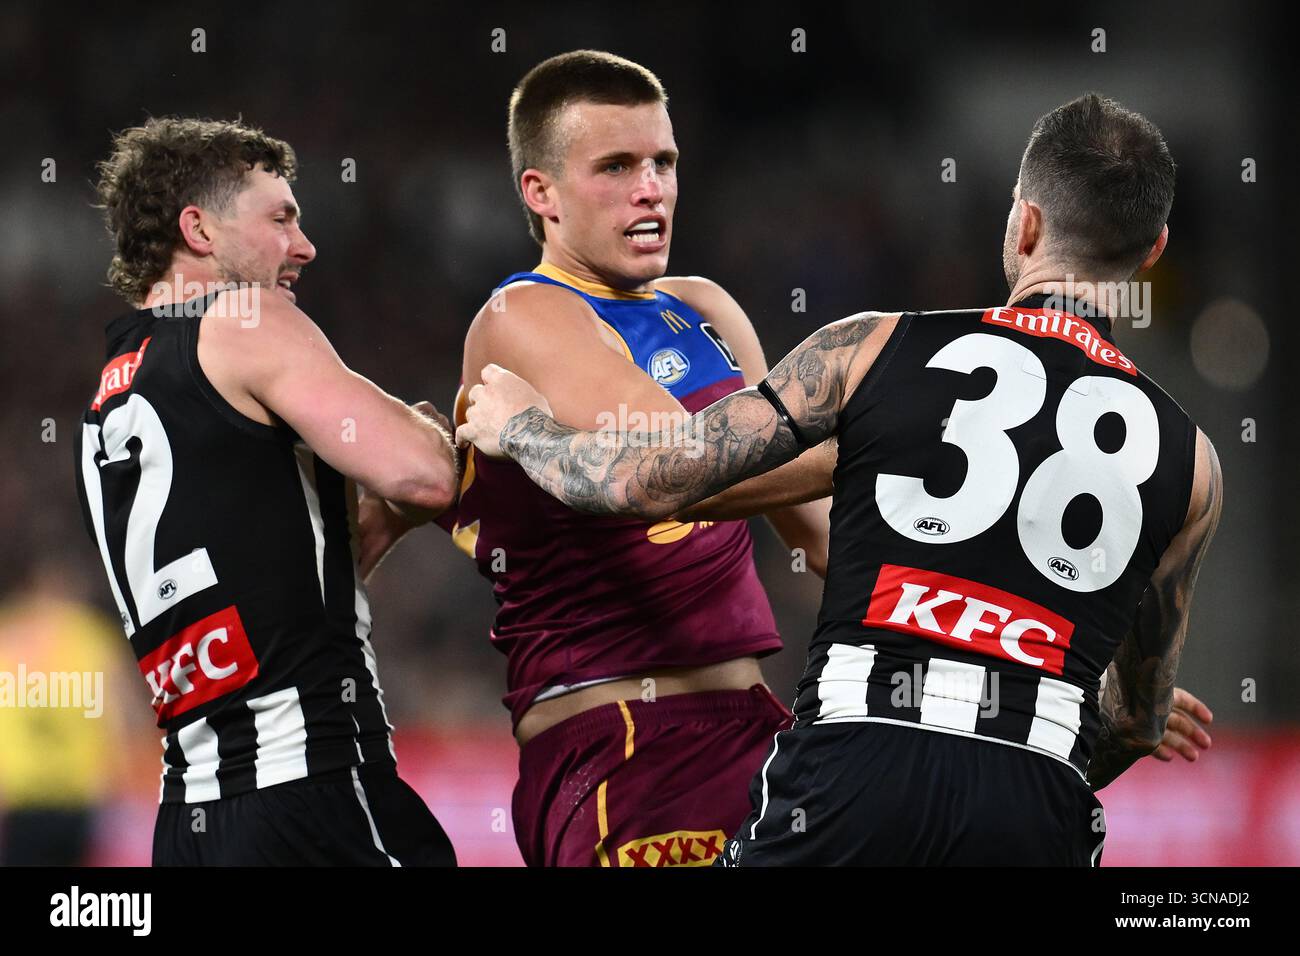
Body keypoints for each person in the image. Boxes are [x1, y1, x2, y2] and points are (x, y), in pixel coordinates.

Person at [458, 93, 1222, 865]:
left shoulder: (872, 350)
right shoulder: (1194, 467)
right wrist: (1033, 734)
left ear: (1024, 223)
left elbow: (647, 485)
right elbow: (1133, 721)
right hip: (1037, 796)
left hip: (852, 774)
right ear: (1153, 249)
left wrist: (521, 427)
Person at [444, 50, 832, 867]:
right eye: (615, 166)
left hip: (759, 729)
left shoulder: (704, 307)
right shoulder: (522, 317)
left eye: (663, 162)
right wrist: (884, 432)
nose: (649, 187)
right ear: (539, 194)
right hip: (621, 747)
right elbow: (690, 462)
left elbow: (822, 533)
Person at [76, 117, 460, 865]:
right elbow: (426, 471)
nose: (304, 245)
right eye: (280, 217)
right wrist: (428, 435)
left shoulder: (109, 396)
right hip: (315, 789)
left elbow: (280, 574)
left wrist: (384, 523)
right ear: (200, 229)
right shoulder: (246, 319)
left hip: (192, 821)